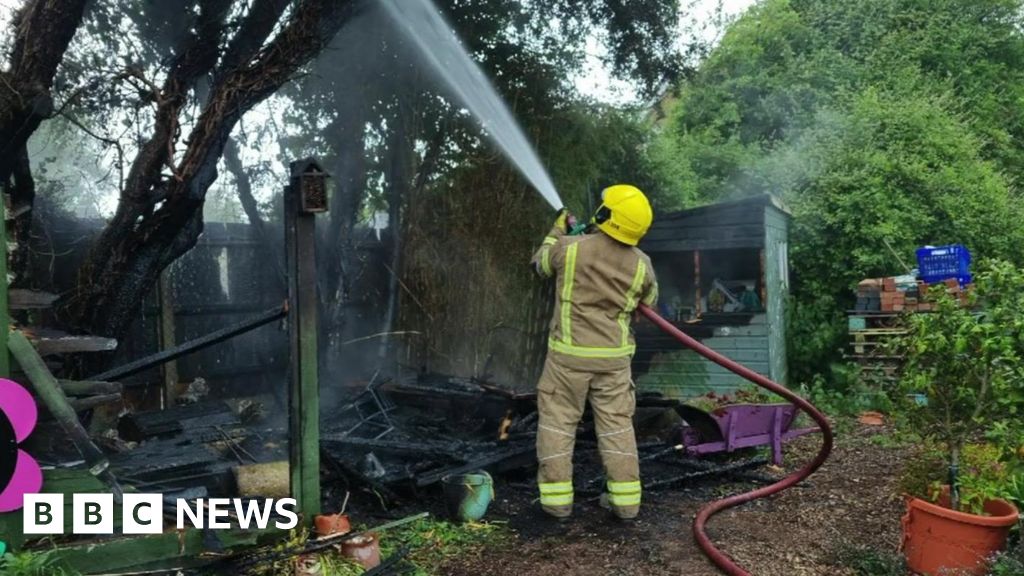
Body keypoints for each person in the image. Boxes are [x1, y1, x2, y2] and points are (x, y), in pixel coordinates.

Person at [529, 184, 658, 521]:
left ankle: (557, 504)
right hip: (614, 362)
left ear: (605, 215)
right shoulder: (643, 265)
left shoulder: (570, 249)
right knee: (617, 427)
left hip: (567, 359)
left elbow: (539, 265)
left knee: (557, 425)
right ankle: (627, 504)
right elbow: (650, 303)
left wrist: (558, 230)